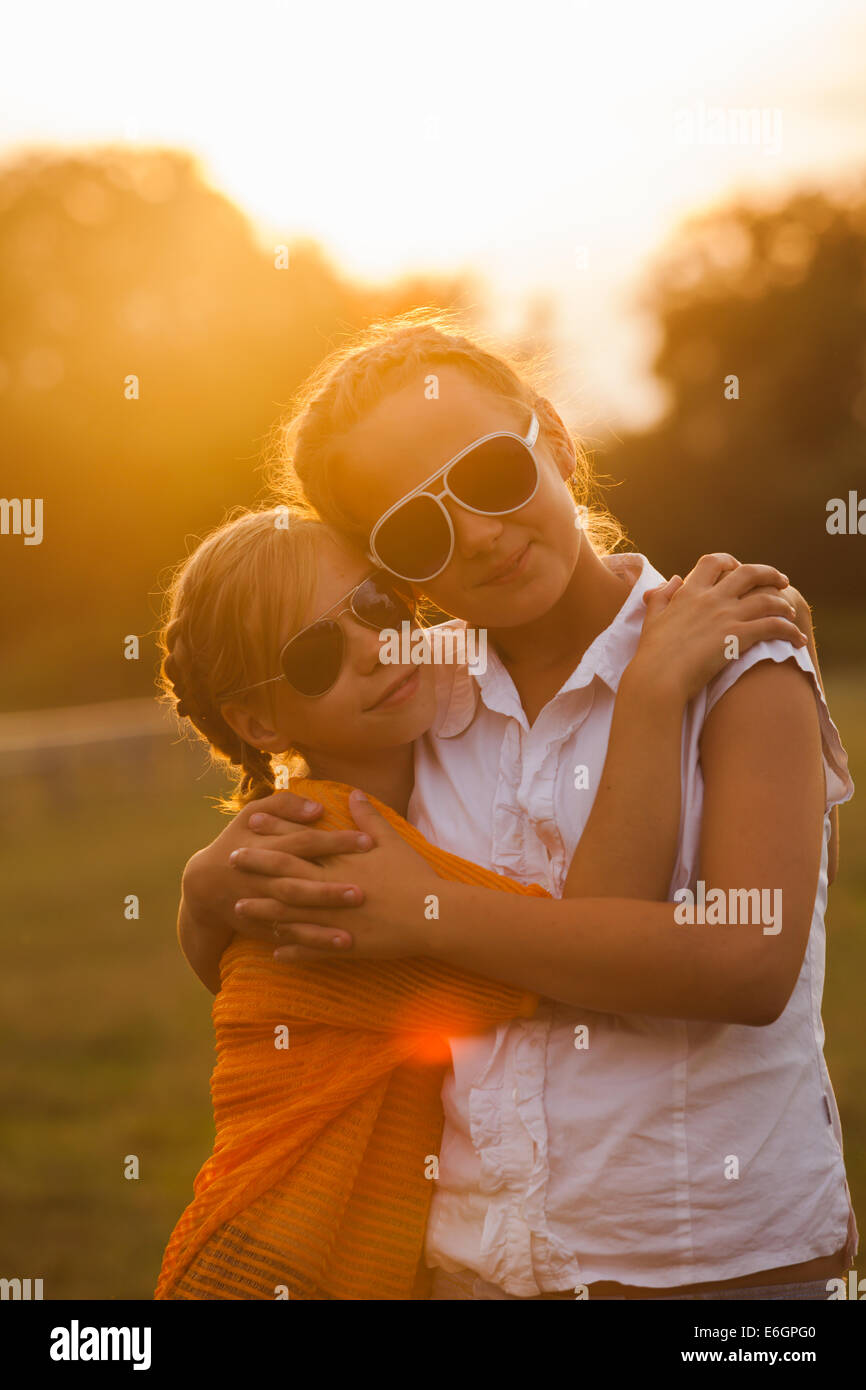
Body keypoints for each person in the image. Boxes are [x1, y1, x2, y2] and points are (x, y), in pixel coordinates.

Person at [180, 312, 855, 1300]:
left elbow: (743, 963)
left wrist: (426, 908)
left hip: (720, 1276)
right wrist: (205, 892)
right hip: (474, 1270)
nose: (482, 536)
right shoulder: (420, 700)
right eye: (417, 529)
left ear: (557, 440)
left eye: (491, 474)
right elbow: (298, 953)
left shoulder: (734, 661)